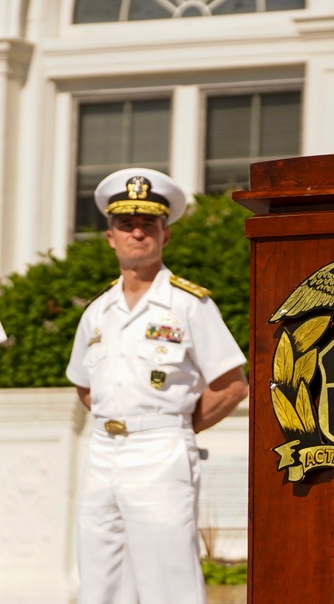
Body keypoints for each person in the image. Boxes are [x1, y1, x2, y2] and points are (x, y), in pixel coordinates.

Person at [65, 167, 249, 604]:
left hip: (161, 451)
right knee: (98, 578)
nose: (137, 233)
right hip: (102, 451)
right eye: (126, 224)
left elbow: (231, 385)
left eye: (148, 224)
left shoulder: (189, 305)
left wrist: (173, 426)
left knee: (168, 580)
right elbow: (84, 386)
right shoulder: (97, 311)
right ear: (110, 236)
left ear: (165, 236)